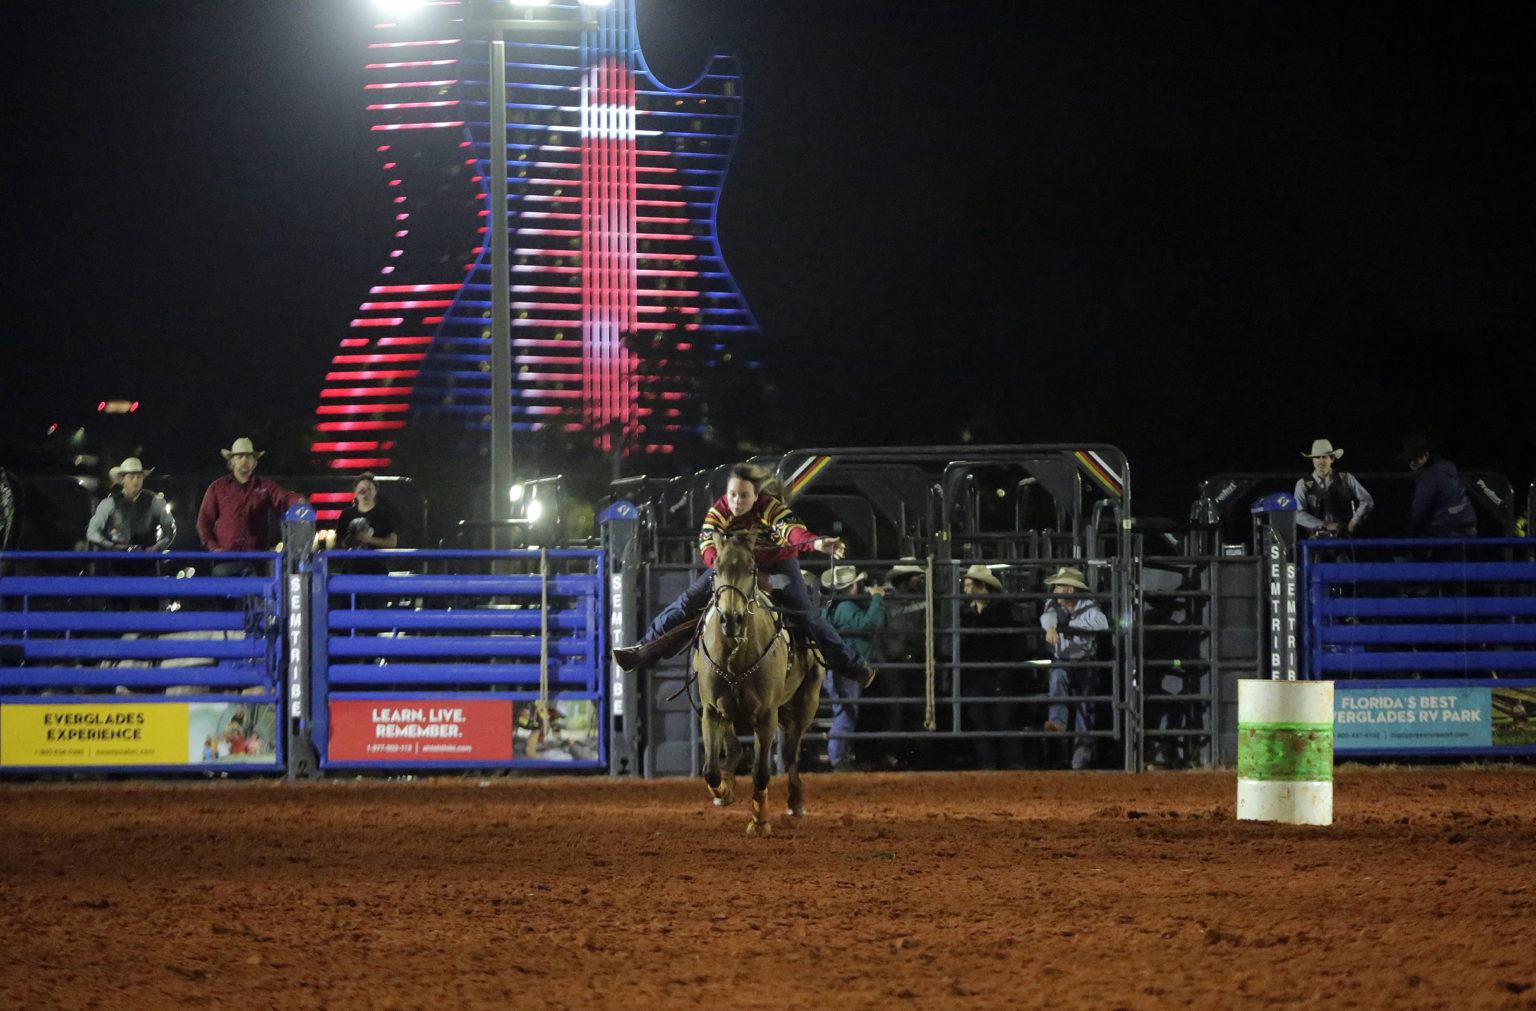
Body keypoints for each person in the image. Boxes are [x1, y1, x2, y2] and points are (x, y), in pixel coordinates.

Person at [610, 462, 877, 688]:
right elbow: (706, 545)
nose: (736, 501)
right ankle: (643, 650)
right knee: (688, 602)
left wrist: (816, 543)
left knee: (805, 613)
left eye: (743, 495)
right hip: (733, 565)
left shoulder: (771, 508)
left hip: (777, 564)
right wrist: (726, 564)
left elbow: (791, 531)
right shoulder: (719, 511)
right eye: (732, 494)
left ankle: (851, 665)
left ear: (756, 495)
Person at [195, 438, 306, 573]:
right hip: (225, 560)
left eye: (248, 457)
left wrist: (298, 501)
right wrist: (214, 548)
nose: (244, 460)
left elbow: (284, 498)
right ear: (232, 461)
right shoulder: (217, 488)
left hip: (255, 560)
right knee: (224, 586)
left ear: (254, 462)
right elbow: (204, 522)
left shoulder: (265, 487)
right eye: (240, 456)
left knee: (254, 591)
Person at [1040, 565, 1111, 770]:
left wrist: (1073, 629)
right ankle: (1058, 723)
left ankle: (1080, 760)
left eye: (1058, 587)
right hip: (1065, 660)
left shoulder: (1089, 607)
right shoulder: (1055, 606)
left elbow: (1102, 623)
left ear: (1069, 590)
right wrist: (1053, 628)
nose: (1054, 592)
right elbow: (1047, 617)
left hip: (1084, 662)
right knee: (1059, 677)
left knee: (1085, 708)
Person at [819, 564, 886, 771]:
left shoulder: (831, 607)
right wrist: (877, 598)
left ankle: (841, 757)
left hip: (837, 666)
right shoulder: (846, 607)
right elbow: (870, 624)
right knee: (846, 713)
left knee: (845, 711)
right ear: (853, 587)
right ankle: (839, 760)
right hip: (846, 668)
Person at [958, 563, 1023, 770]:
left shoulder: (1002, 610)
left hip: (996, 673)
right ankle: (991, 767)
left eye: (969, 585)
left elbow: (1014, 644)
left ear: (982, 586)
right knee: (982, 723)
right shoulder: (966, 612)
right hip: (976, 674)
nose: (965, 589)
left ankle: (1012, 767)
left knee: (1002, 722)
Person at [86, 457, 177, 552]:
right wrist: (111, 546)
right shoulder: (109, 503)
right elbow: (92, 532)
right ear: (122, 479)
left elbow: (170, 529)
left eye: (139, 477)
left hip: (147, 559)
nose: (136, 481)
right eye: (131, 477)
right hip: (117, 560)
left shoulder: (156, 501)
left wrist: (157, 547)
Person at [1294, 439, 1373, 538]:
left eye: (1324, 457)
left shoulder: (1345, 478)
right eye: (1317, 457)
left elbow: (1367, 500)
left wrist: (1353, 523)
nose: (1321, 461)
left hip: (1343, 536)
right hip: (1316, 540)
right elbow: (1297, 514)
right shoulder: (1303, 484)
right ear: (1313, 460)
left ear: (1332, 459)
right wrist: (1324, 524)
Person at [1401, 434, 1476, 538]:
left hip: (1449, 530)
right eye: (1409, 461)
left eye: (1414, 460)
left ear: (1425, 456)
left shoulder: (1429, 476)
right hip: (1468, 527)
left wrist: (1406, 528)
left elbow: (1418, 511)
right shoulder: (1447, 468)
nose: (1412, 465)